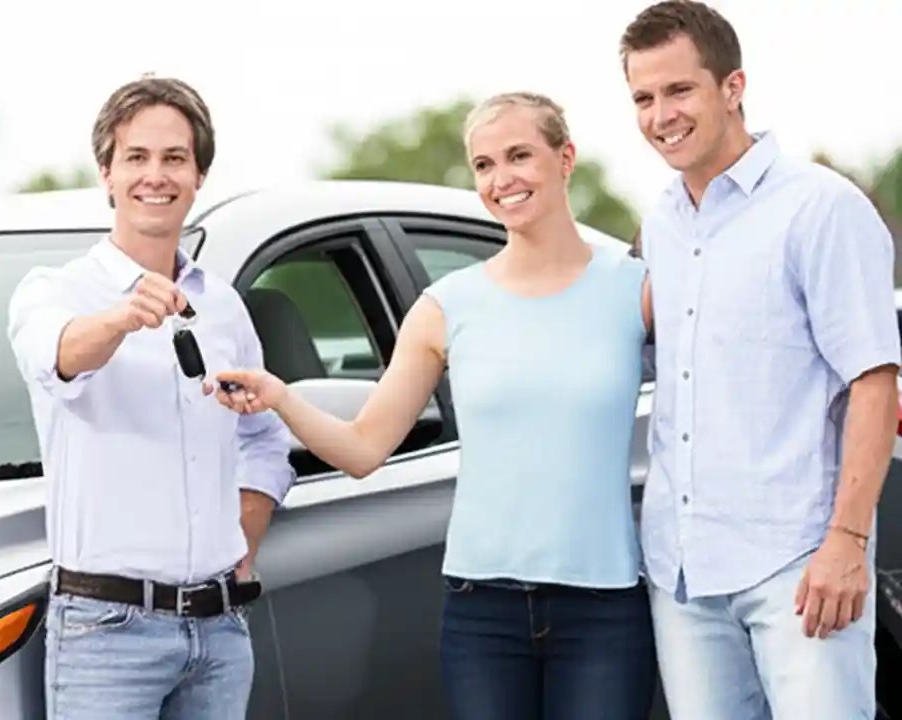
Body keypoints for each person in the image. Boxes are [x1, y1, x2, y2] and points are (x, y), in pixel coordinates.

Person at [214, 92, 656, 720]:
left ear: (566, 157)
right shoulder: (447, 306)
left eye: (519, 155)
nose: (501, 179)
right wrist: (282, 397)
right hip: (484, 615)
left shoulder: (634, 288)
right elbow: (365, 449)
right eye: (483, 164)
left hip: (605, 611)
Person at [619, 2, 901, 717]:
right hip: (683, 572)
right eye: (643, 98)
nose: (661, 116)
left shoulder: (820, 209)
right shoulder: (662, 221)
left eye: (679, 90)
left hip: (799, 563)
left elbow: (875, 381)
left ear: (732, 86)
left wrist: (846, 542)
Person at [6, 75, 295, 720]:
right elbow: (55, 355)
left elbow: (263, 441)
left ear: (199, 176)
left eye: (174, 159)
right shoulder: (53, 292)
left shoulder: (222, 307)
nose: (155, 176)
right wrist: (119, 318)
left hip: (220, 633)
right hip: (106, 635)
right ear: (106, 173)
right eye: (136, 157)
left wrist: (241, 553)